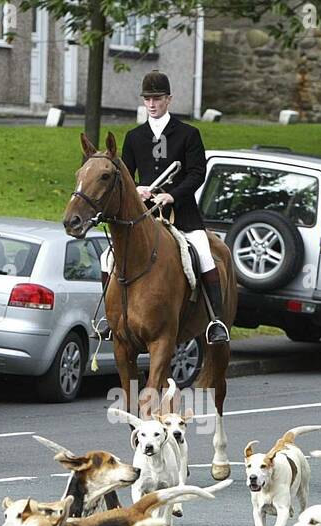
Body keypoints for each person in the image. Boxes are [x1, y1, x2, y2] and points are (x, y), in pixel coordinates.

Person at [114, 70, 229, 345]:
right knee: (109, 257)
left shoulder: (188, 134)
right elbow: (125, 175)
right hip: (143, 215)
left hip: (182, 214)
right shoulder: (134, 136)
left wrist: (172, 195)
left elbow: (197, 173)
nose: (152, 104)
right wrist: (136, 188)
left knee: (204, 256)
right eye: (148, 99)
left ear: (169, 99)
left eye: (157, 99)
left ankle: (216, 322)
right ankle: (111, 317)